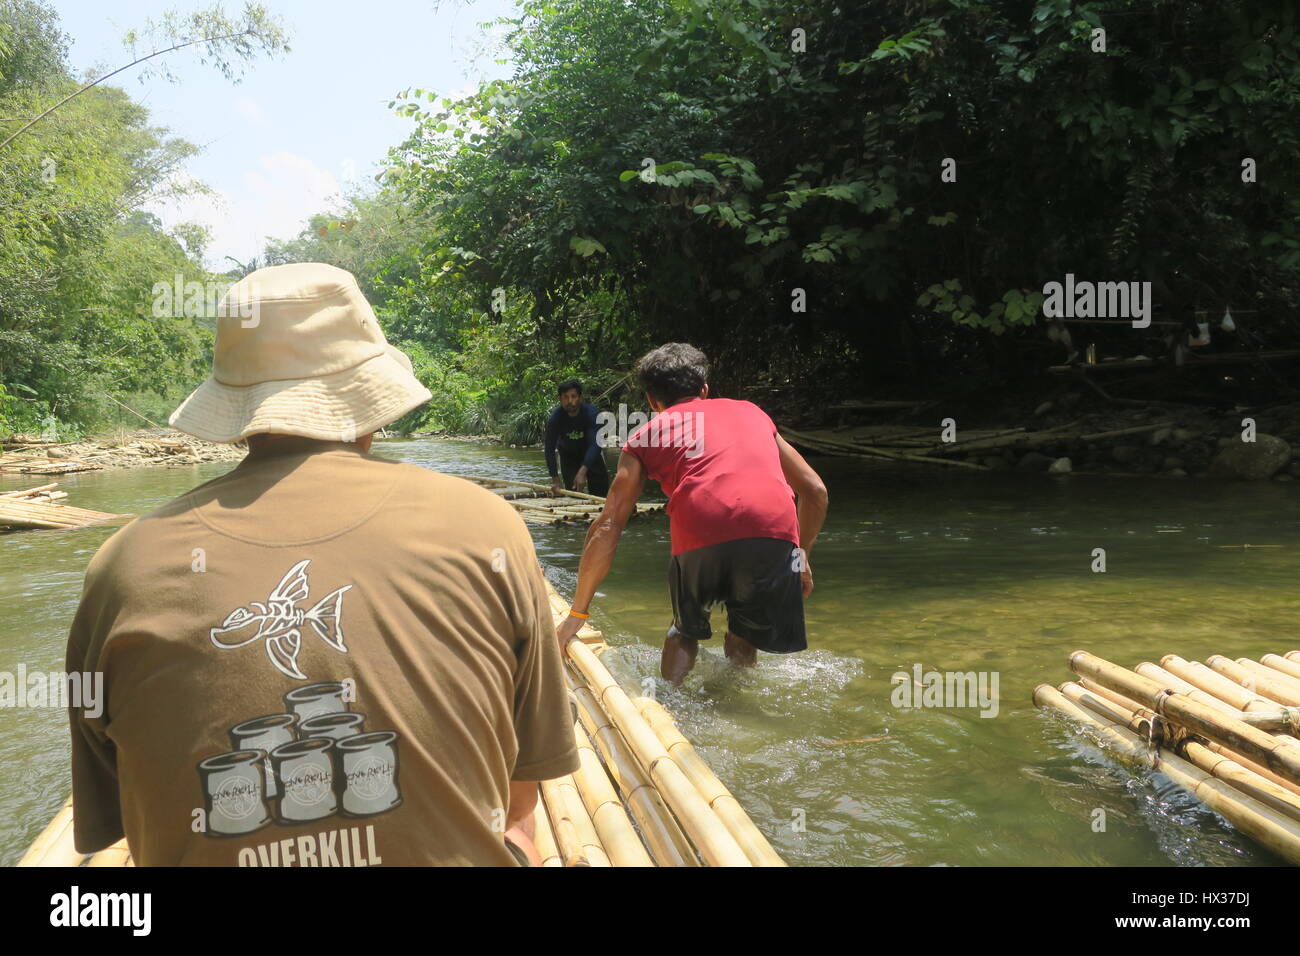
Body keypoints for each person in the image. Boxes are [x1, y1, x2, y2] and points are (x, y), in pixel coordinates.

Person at [65, 262, 578, 866]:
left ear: (236, 413)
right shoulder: (487, 527)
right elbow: (523, 794)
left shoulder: (122, 566)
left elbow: (129, 813)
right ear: (369, 401)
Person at [555, 343, 828, 683]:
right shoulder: (752, 413)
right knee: (746, 634)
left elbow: (608, 526)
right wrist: (800, 558)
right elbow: (815, 492)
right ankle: (735, 706)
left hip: (701, 526)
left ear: (653, 402)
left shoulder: (644, 436)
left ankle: (671, 703)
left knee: (683, 630)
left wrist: (577, 614)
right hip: (773, 529)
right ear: (704, 389)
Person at [544, 379, 610, 497]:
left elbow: (595, 444)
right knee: (573, 494)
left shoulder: (591, 414)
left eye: (573, 396)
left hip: (592, 455)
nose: (570, 401)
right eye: (565, 397)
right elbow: (549, 449)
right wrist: (555, 479)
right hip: (568, 457)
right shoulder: (555, 418)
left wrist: (583, 471)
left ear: (580, 398)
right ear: (560, 399)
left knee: (601, 494)